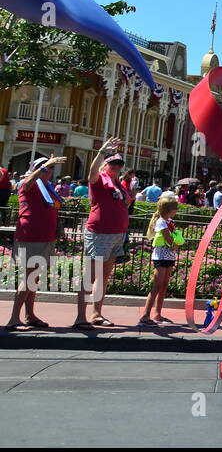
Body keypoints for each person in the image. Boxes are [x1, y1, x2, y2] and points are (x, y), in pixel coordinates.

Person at [4, 155, 65, 330]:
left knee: (34, 278)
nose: (49, 171)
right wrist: (44, 167)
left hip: (45, 236)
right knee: (29, 277)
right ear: (36, 169)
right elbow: (30, 181)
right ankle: (14, 319)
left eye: (51, 168)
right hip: (32, 235)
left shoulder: (47, 187)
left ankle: (30, 315)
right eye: (45, 167)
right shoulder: (28, 183)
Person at [75, 138, 130, 329]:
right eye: (112, 162)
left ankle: (96, 314)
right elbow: (91, 173)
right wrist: (101, 152)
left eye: (119, 163)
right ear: (105, 164)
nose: (116, 166)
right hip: (100, 233)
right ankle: (80, 317)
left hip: (116, 234)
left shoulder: (119, 185)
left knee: (104, 277)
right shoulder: (99, 180)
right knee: (90, 275)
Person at [139, 195, 183, 325]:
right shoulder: (161, 222)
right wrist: (175, 244)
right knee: (157, 286)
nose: (176, 210)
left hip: (169, 256)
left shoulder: (169, 221)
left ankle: (157, 314)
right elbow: (168, 238)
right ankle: (145, 316)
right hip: (161, 256)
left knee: (164, 285)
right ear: (169, 210)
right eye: (175, 208)